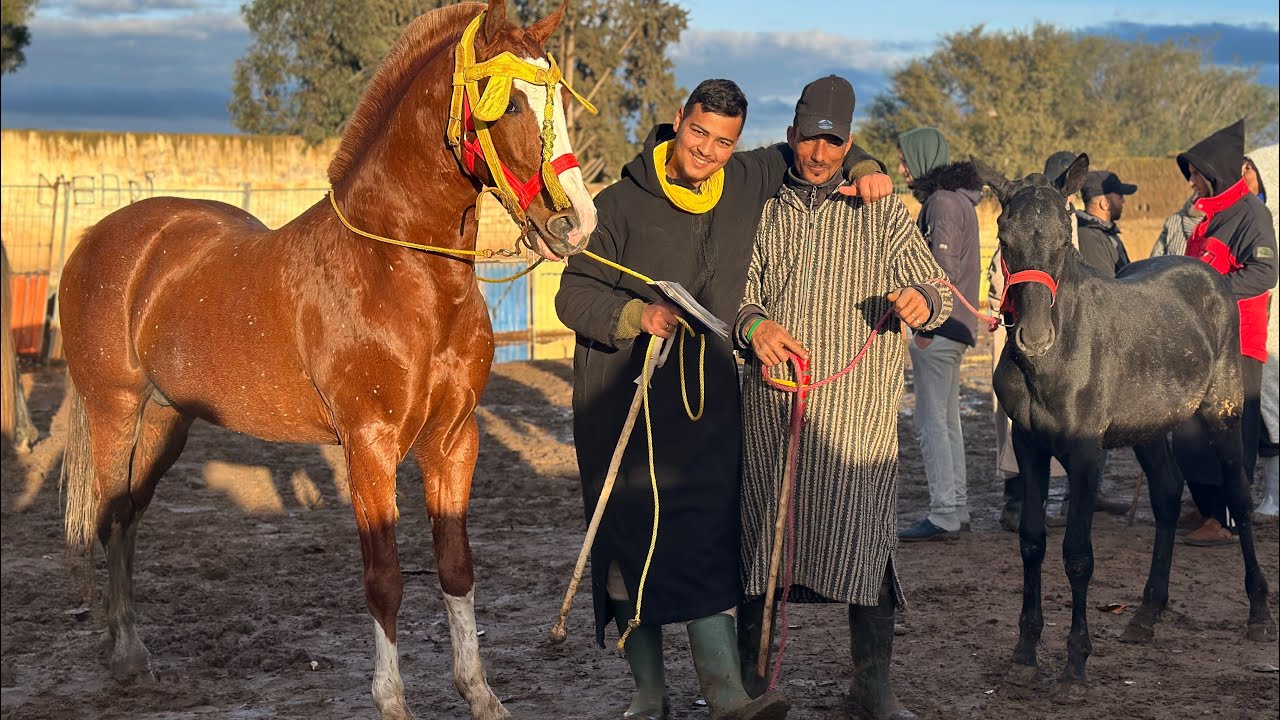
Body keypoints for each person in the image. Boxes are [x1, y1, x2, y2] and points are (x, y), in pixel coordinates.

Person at [555, 78, 891, 720]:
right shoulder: (618, 205)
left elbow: (815, 147)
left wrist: (867, 163)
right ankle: (647, 696)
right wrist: (634, 316)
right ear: (677, 120)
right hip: (621, 402)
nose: (708, 151)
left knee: (709, 538)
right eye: (699, 132)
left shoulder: (745, 177)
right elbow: (571, 295)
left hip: (707, 400)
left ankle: (727, 696)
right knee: (631, 544)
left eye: (723, 141)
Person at [735, 74, 952, 720]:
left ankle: (873, 686)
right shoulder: (764, 208)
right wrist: (753, 323)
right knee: (762, 543)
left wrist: (923, 301)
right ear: (791, 137)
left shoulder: (880, 209)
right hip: (774, 408)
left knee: (865, 542)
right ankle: (751, 685)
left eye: (833, 143)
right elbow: (738, 290)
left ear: (849, 141)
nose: (820, 155)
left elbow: (934, 286)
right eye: (809, 141)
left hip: (856, 415)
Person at [1173, 121, 1278, 546]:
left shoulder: (1252, 213)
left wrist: (1212, 292)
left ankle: (1228, 516)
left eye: (1197, 173)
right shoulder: (1207, 219)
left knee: (1232, 430)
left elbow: (1266, 271)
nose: (1192, 181)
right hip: (1203, 344)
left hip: (1238, 342)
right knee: (1190, 428)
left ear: (1216, 171)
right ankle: (1208, 504)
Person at [892, 127, 982, 541]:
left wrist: (924, 327)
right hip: (957, 328)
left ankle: (944, 513)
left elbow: (939, 274)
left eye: (905, 159)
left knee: (931, 422)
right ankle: (956, 507)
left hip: (940, 328)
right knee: (948, 421)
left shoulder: (941, 203)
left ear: (922, 159)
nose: (900, 167)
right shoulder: (959, 200)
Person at [990, 151, 1074, 531]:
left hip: (1047, 331)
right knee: (1015, 418)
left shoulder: (1056, 228)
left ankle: (1035, 499)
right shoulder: (1027, 227)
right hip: (1012, 326)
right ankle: (1016, 500)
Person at [1245, 146, 1279, 518]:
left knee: (1272, 408)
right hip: (1263, 324)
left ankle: (1275, 496)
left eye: (1250, 169)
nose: (1245, 176)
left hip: (1273, 327)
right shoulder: (1261, 215)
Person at [1075, 170, 1136, 277]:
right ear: (1105, 204)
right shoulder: (1087, 237)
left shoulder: (1106, 231)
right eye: (1120, 197)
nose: (1123, 202)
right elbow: (1106, 286)